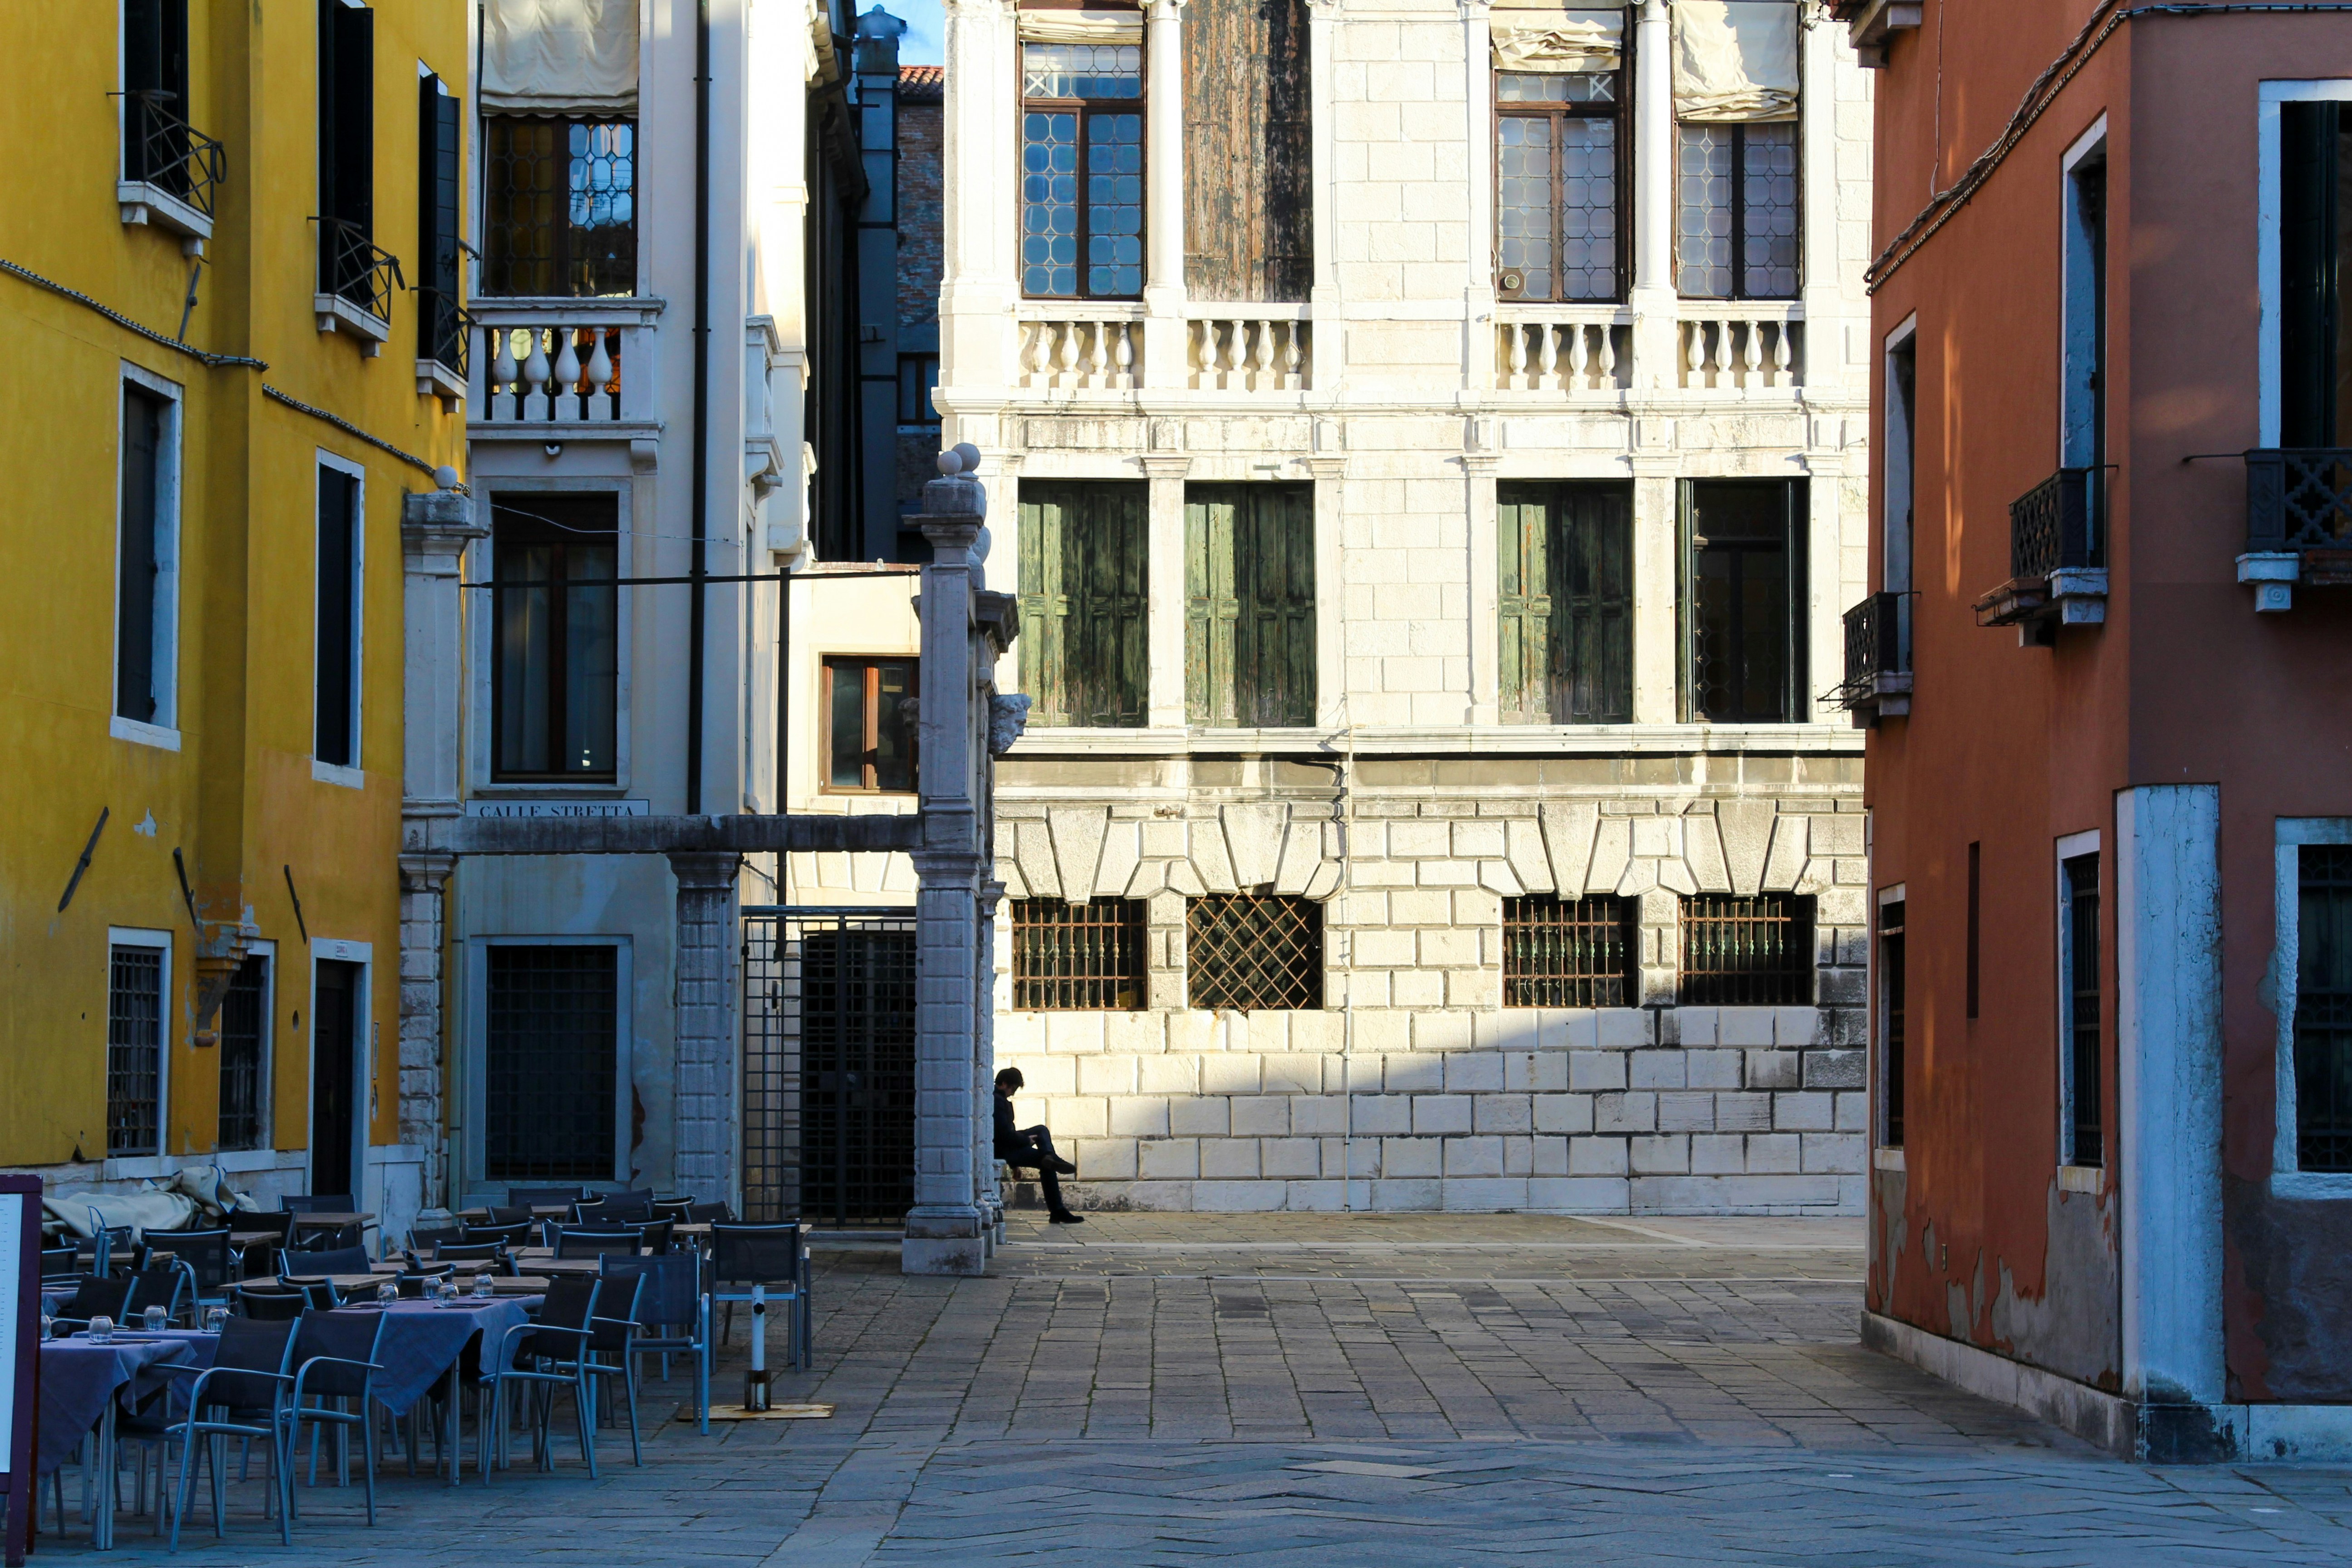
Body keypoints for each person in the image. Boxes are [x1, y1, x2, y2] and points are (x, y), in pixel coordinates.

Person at [994, 1067, 1083, 1225]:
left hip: (1008, 1148)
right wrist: (1026, 1142)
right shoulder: (997, 1101)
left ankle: (1050, 1157)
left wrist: (1015, 1164)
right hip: (1004, 1150)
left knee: (1041, 1131)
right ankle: (1057, 1210)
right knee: (1046, 1162)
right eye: (1013, 1088)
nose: (1013, 1093)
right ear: (1004, 1083)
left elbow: (1007, 1133)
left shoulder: (1001, 1101)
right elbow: (1004, 1135)